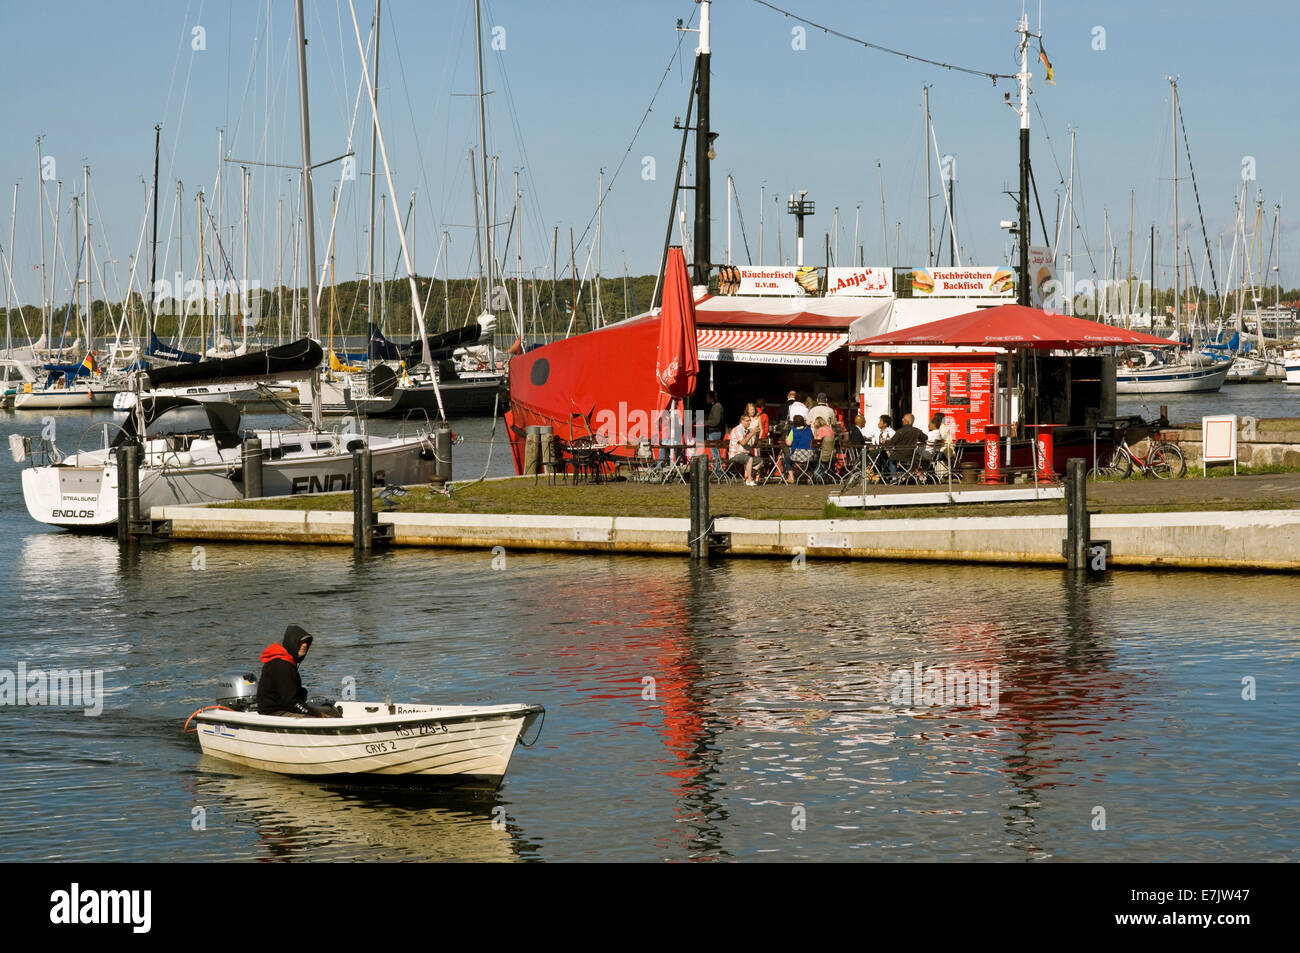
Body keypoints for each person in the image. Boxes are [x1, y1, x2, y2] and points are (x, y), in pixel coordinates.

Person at [255, 624, 340, 717]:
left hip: (287, 707)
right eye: (301, 642)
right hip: (274, 712)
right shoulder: (282, 665)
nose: (305, 645)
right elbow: (291, 703)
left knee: (331, 710)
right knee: (317, 718)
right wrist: (318, 714)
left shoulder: (287, 661)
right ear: (291, 642)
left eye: (307, 643)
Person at [880, 413, 926, 481]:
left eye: (903, 419)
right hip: (911, 455)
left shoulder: (900, 431)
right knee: (900, 460)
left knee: (892, 459)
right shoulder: (917, 431)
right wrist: (920, 442)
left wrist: (885, 442)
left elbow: (891, 443)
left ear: (906, 421)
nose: (902, 420)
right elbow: (925, 437)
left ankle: (894, 477)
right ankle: (902, 476)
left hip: (899, 455)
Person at [784, 414, 814, 483]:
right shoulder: (809, 430)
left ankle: (791, 478)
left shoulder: (794, 430)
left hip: (797, 455)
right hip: (810, 455)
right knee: (810, 463)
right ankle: (809, 477)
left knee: (787, 460)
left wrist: (786, 439)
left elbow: (789, 443)